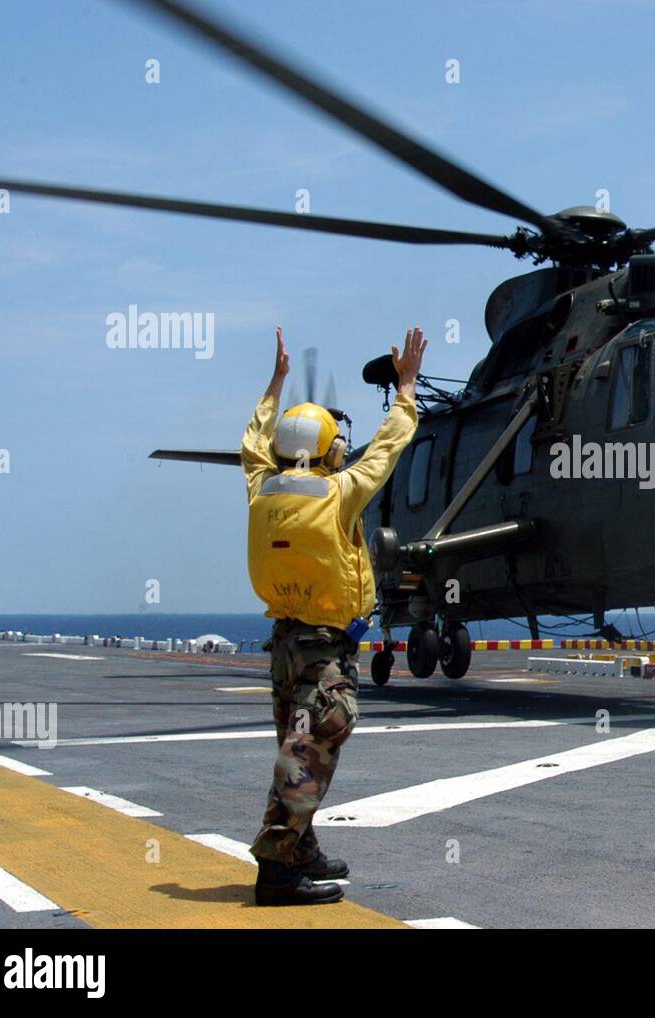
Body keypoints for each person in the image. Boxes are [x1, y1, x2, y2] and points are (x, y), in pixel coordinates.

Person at [242, 324, 425, 906]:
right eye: (338, 442)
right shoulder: (339, 492)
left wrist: (275, 385)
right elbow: (390, 445)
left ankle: (302, 852)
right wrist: (408, 385)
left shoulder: (260, 487)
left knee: (296, 748)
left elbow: (252, 442)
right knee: (311, 749)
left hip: (283, 648)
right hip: (321, 653)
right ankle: (276, 872)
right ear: (328, 449)